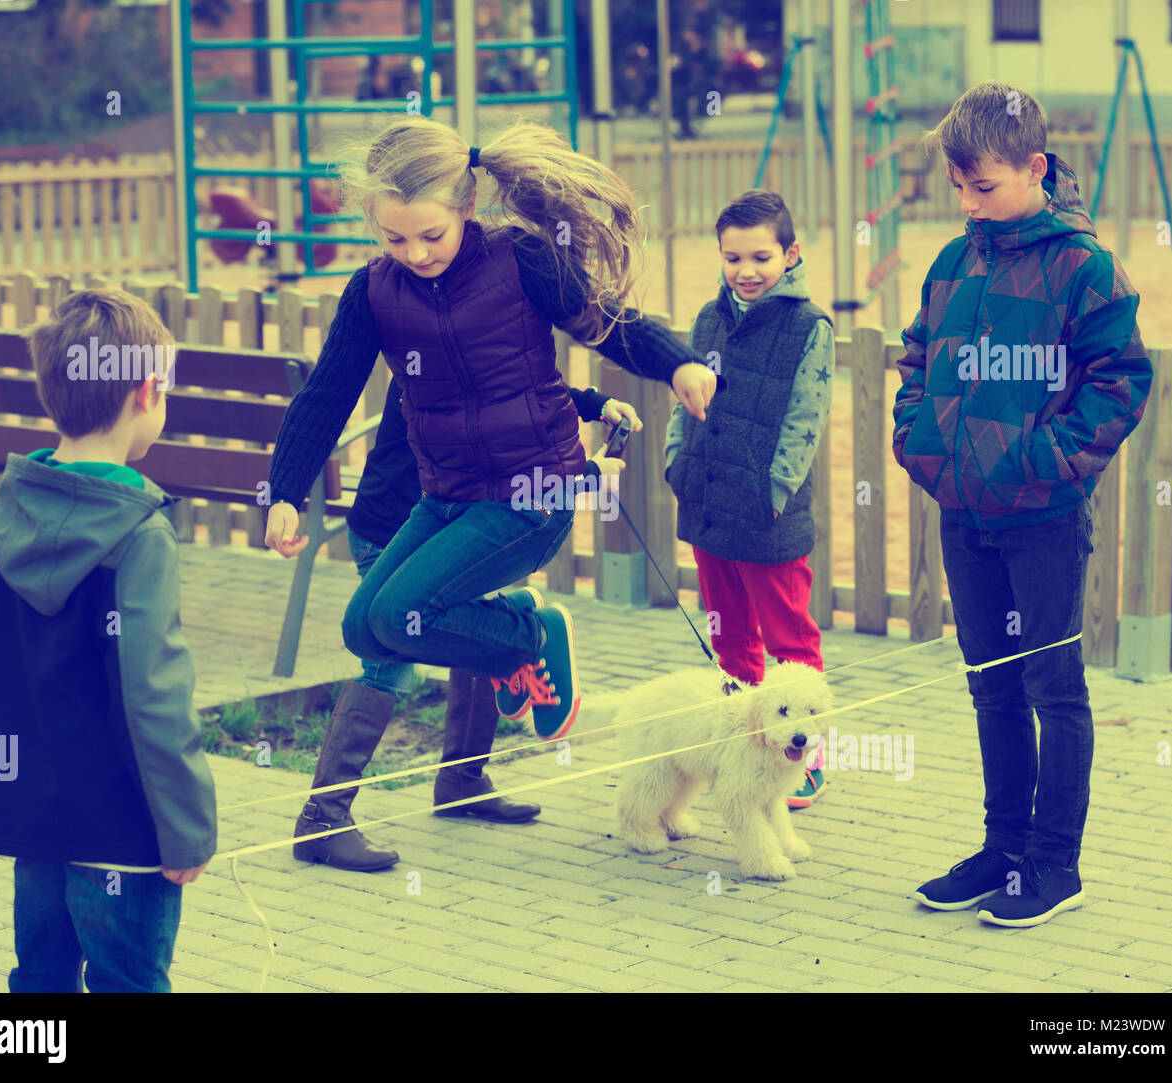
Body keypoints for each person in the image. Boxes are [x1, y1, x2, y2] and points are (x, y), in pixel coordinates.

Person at [264, 115, 722, 745]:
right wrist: (285, 491)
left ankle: (530, 642)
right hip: (447, 496)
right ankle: (517, 632)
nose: (416, 254)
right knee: (365, 628)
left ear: (467, 204)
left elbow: (606, 323)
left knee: (403, 612)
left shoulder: (520, 259)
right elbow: (326, 396)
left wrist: (678, 363)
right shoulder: (373, 292)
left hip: (534, 495)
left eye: (431, 235)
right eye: (395, 240)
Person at [893, 83, 1151, 926]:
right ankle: (1001, 849)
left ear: (1036, 168)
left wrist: (1039, 464)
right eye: (959, 189)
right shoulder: (953, 260)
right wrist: (920, 446)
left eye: (986, 187)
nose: (970, 204)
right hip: (963, 514)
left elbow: (1118, 385)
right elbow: (917, 357)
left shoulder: (1087, 267)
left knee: (1051, 684)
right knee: (990, 683)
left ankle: (1053, 863)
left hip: (1041, 517)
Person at [0, 288, 217, 992]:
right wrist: (187, 824)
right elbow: (153, 696)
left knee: (39, 981)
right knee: (128, 981)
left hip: (34, 820)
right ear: (147, 391)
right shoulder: (139, 532)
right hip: (124, 832)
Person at [292, 376, 641, 872]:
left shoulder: (459, 340)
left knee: (461, 629)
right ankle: (322, 818)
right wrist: (583, 473)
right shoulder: (436, 355)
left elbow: (518, 382)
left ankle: (462, 780)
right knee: (387, 661)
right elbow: (499, 428)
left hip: (451, 523)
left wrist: (593, 403)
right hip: (399, 529)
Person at [664, 189, 834, 808]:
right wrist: (675, 461)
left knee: (787, 635)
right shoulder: (708, 321)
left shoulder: (808, 327)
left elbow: (805, 419)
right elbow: (681, 395)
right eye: (733, 258)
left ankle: (806, 755)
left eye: (761, 256)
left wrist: (776, 491)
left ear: (790, 254)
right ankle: (743, 746)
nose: (746, 270)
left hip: (768, 513)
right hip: (709, 499)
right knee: (729, 634)